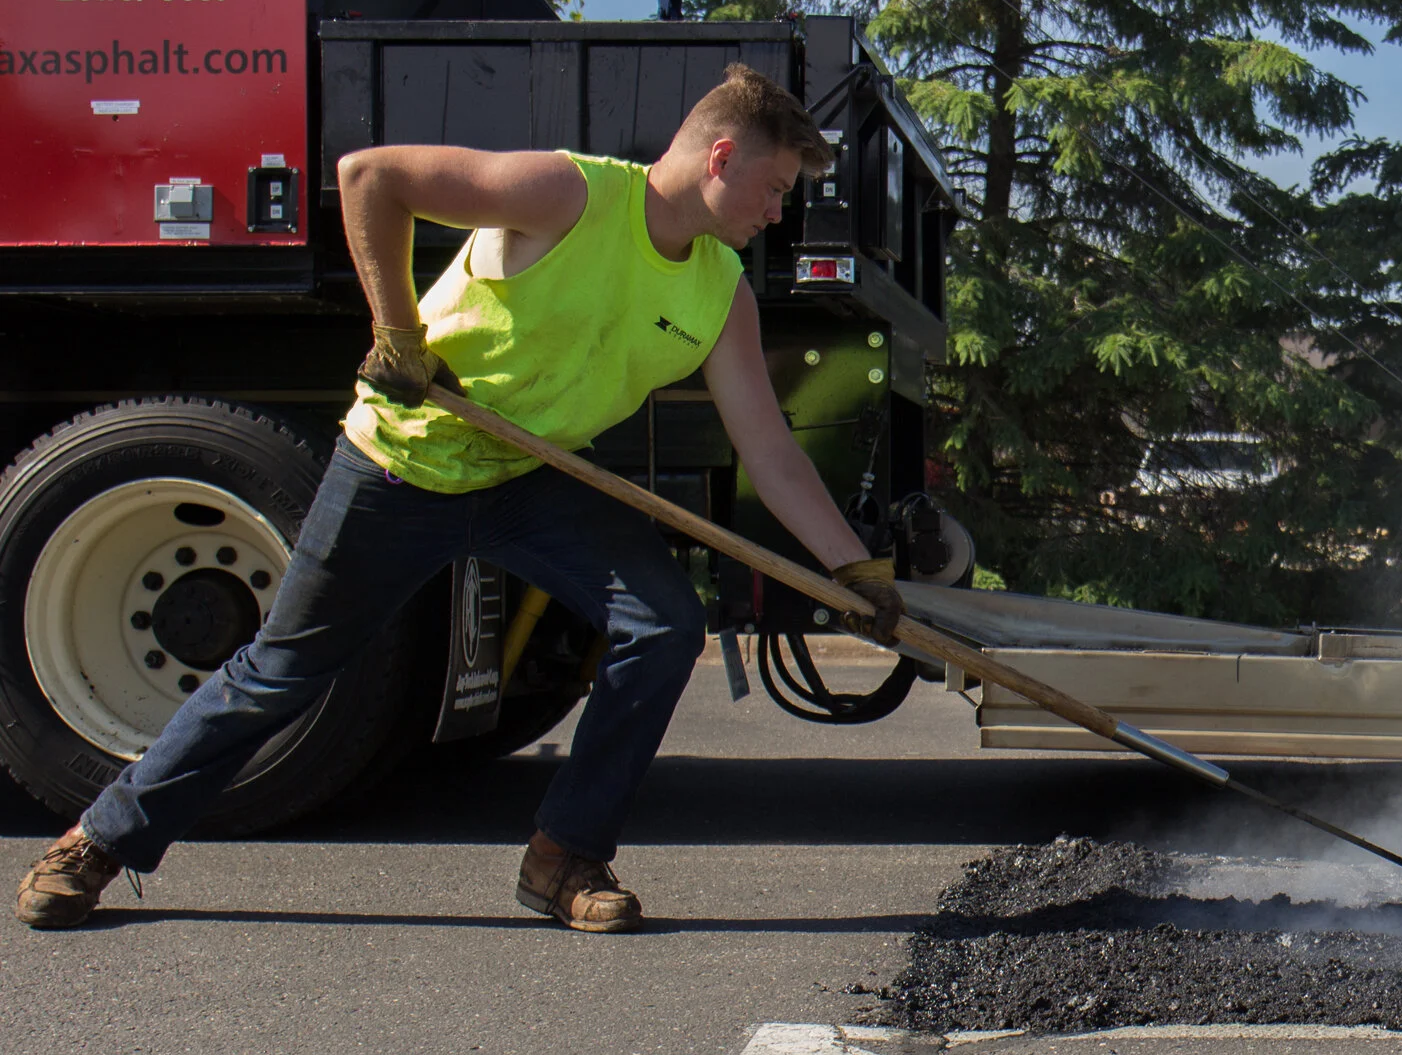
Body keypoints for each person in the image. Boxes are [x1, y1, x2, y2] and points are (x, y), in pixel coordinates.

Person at [17, 63, 906, 933]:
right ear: (720, 158)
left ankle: (565, 856)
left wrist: (851, 568)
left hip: (533, 476)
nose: (779, 211)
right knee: (282, 673)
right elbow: (373, 178)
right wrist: (398, 333)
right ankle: (97, 841)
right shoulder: (568, 195)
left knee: (666, 622)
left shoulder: (721, 292)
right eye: (776, 186)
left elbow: (770, 450)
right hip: (404, 463)